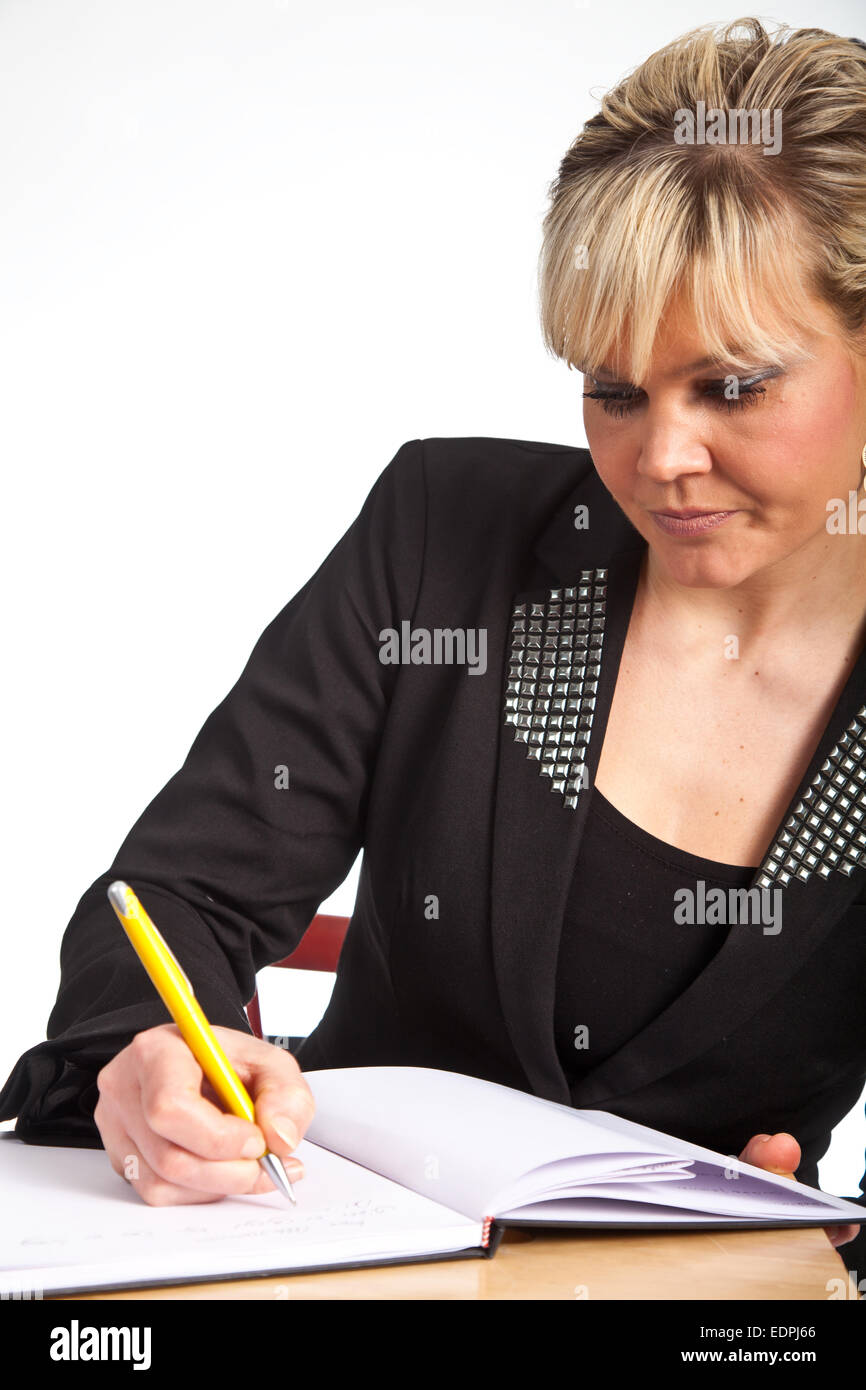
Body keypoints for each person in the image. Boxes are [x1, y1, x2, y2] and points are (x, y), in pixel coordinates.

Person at [2, 17, 865, 1271]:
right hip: (324, 1267)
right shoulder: (444, 534)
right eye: (611, 390)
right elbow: (171, 902)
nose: (658, 461)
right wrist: (148, 1059)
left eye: (731, 385)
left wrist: (801, 1252)